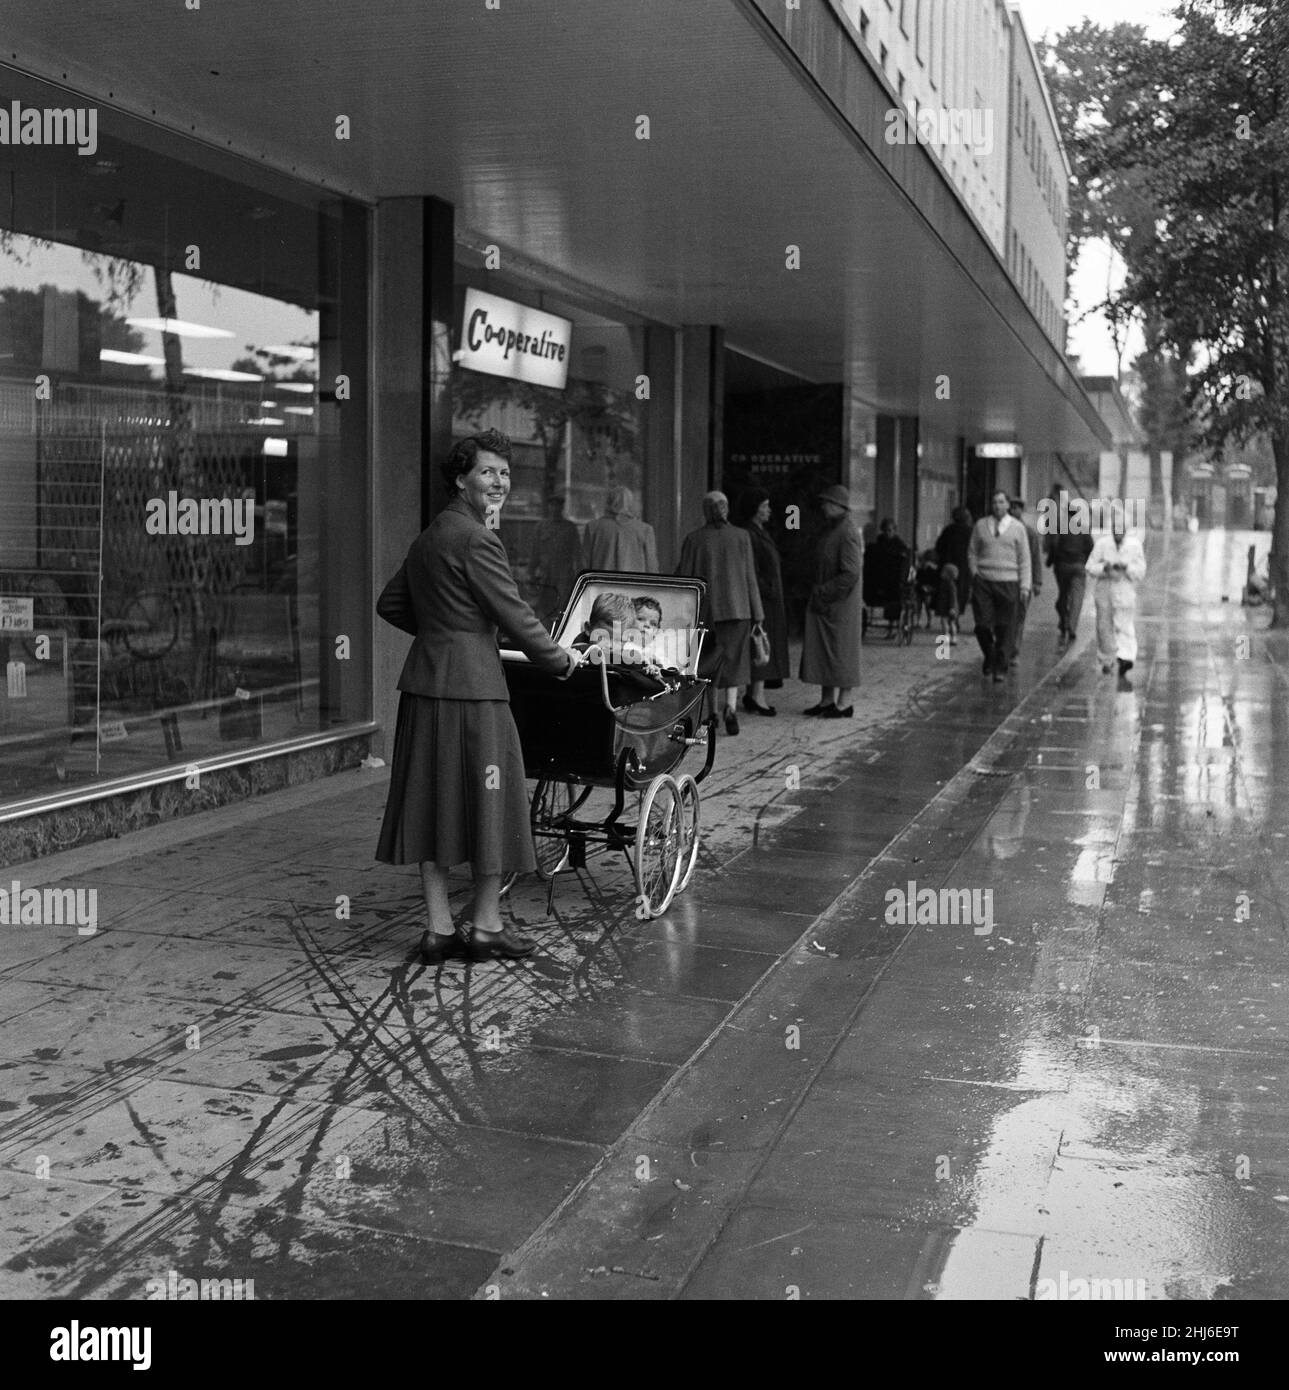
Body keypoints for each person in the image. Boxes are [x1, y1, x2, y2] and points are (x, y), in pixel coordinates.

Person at [375, 429, 583, 965]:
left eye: (506, 473)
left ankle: (439, 929)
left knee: (431, 800)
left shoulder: (431, 537)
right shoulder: (477, 539)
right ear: (461, 479)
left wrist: (443, 630)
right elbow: (513, 614)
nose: (500, 482)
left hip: (424, 686)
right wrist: (560, 660)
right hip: (474, 691)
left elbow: (390, 604)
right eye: (488, 472)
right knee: (494, 801)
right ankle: (487, 925)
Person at [679, 490, 763, 735]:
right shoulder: (742, 536)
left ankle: (712, 713)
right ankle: (731, 709)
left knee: (708, 662)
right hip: (739, 610)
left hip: (707, 612)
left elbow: (686, 578)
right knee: (735, 664)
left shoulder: (694, 539)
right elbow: (750, 577)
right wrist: (758, 614)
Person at [801, 484, 862, 718]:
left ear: (839, 506)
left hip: (839, 605)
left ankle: (844, 703)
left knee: (842, 654)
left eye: (827, 503)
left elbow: (850, 573)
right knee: (827, 653)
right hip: (829, 603)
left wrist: (824, 591)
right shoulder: (834, 529)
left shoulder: (847, 532)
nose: (823, 507)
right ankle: (827, 700)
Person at [734, 488, 788, 716]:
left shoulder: (758, 532)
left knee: (763, 644)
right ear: (755, 509)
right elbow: (752, 570)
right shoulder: (750, 534)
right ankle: (757, 695)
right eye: (765, 506)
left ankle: (756, 693)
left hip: (769, 598)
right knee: (760, 645)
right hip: (764, 599)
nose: (769, 510)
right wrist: (769, 590)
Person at [968, 489, 1031, 682]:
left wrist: (1025, 586)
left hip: (1009, 582)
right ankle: (989, 654)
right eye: (994, 502)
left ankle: (1001, 667)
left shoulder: (1018, 528)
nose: (997, 506)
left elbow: (1024, 559)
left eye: (1001, 502)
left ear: (1008, 505)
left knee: (1006, 627)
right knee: (982, 624)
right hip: (984, 581)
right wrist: (975, 573)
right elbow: (972, 552)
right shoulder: (980, 526)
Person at [1086, 519, 1146, 688]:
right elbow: (1090, 566)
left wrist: (1126, 567)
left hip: (1124, 591)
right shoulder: (1102, 544)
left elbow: (1140, 572)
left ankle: (1125, 658)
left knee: (1124, 626)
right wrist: (1104, 568)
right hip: (1104, 590)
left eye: (1121, 530)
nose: (1117, 534)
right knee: (1103, 627)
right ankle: (1107, 660)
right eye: (1115, 530)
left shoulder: (1134, 546)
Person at [1044, 497, 1094, 644]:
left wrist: (1050, 561)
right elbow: (1091, 548)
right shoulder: (1084, 530)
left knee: (1063, 596)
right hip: (1078, 567)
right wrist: (1085, 563)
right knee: (1077, 599)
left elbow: (1054, 546)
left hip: (1062, 567)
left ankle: (1064, 621)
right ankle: (1071, 626)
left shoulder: (1060, 529)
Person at [529, 492, 582, 626]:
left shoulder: (569, 528)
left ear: (562, 507)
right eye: (552, 505)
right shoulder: (541, 527)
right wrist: (531, 573)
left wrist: (579, 576)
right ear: (549, 506)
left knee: (562, 606)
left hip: (563, 574)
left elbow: (577, 553)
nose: (555, 508)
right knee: (543, 607)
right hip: (545, 574)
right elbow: (535, 552)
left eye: (558, 505)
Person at [582, 485, 658, 572]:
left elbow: (585, 564)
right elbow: (652, 567)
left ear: (609, 502)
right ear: (631, 503)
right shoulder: (645, 530)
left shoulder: (593, 527)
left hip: (601, 584)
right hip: (633, 584)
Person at [1008, 498, 1043, 664]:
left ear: (1021, 510)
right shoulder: (1001, 530)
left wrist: (1037, 582)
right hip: (1004, 579)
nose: (1013, 510)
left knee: (1019, 616)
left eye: (1016, 508)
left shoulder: (1029, 532)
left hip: (1023, 581)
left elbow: (1035, 557)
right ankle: (1005, 647)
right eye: (1011, 507)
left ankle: (1014, 651)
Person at [865, 518, 909, 637]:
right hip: (879, 581)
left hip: (893, 582)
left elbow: (904, 567)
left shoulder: (900, 547)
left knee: (895, 598)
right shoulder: (876, 546)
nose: (887, 533)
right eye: (885, 530)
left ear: (894, 531)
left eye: (890, 530)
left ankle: (892, 626)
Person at [935, 506, 974, 616]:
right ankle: (956, 613)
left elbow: (939, 547)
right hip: (963, 567)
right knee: (961, 592)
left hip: (947, 566)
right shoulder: (970, 531)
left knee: (946, 590)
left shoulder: (948, 530)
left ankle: (947, 611)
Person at [935, 562, 960, 644]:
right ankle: (954, 638)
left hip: (947, 606)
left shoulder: (948, 584)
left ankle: (947, 636)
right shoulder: (951, 584)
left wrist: (952, 607)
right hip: (951, 607)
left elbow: (952, 597)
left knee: (945, 622)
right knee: (952, 623)